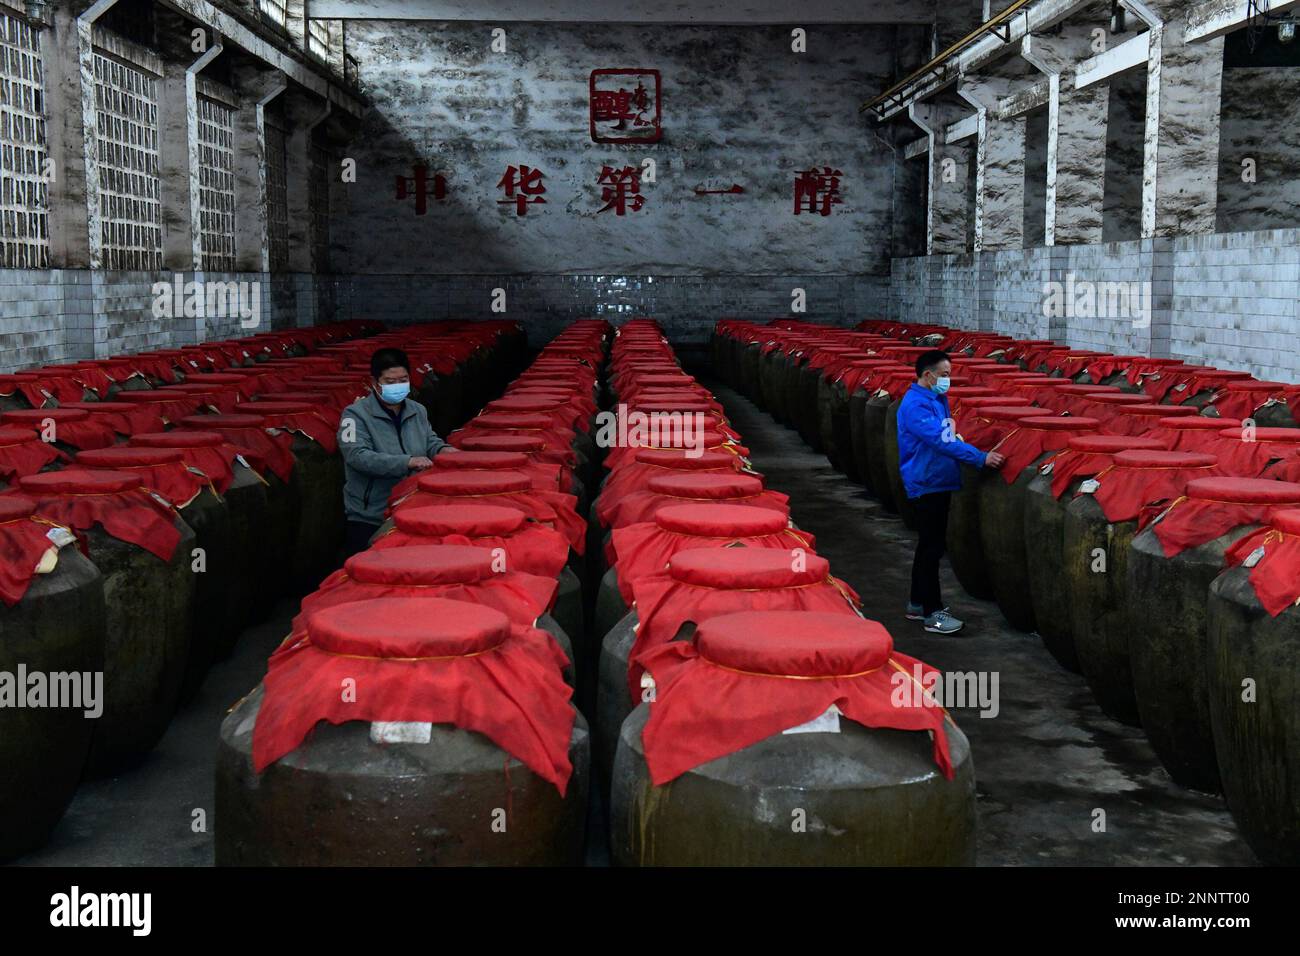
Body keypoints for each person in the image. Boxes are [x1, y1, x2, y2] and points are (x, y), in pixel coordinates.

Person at [895, 349, 1005, 635]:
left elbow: (949, 436)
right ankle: (932, 613)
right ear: (927, 375)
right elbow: (943, 442)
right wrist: (981, 458)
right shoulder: (916, 406)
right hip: (926, 482)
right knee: (931, 548)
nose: (948, 380)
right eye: (944, 375)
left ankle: (918, 604)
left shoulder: (935, 399)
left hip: (938, 479)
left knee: (929, 545)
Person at [337, 347, 455, 555]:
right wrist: (407, 462)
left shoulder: (417, 410)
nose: (398, 386)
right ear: (375, 383)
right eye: (390, 382)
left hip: (412, 505)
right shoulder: (354, 416)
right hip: (371, 514)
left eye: (403, 380)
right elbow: (357, 456)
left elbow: (430, 441)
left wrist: (445, 450)